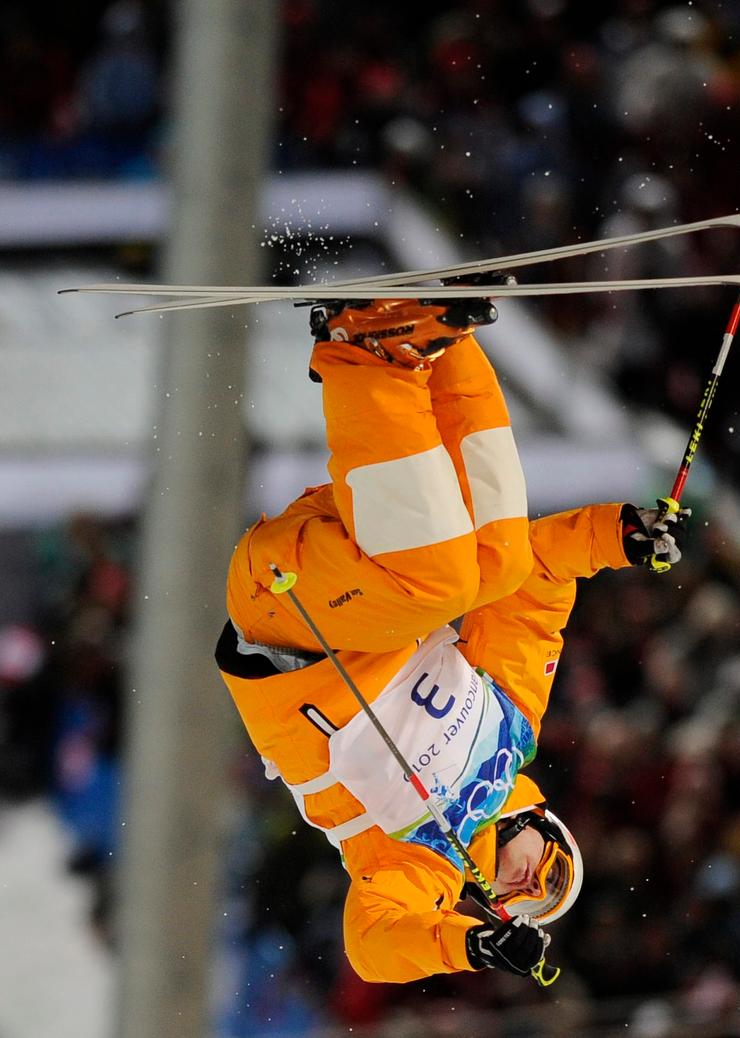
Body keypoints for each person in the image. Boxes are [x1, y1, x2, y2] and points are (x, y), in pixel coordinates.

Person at [213, 297, 684, 983]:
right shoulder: (513, 720)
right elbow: (541, 574)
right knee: (498, 565)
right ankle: (439, 344)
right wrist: (620, 537)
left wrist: (468, 945)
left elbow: (372, 946)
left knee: (442, 584)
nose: (524, 894)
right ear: (547, 829)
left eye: (526, 909)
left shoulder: (419, 863)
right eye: (547, 879)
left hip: (289, 616)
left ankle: (362, 351)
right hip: (361, 558)